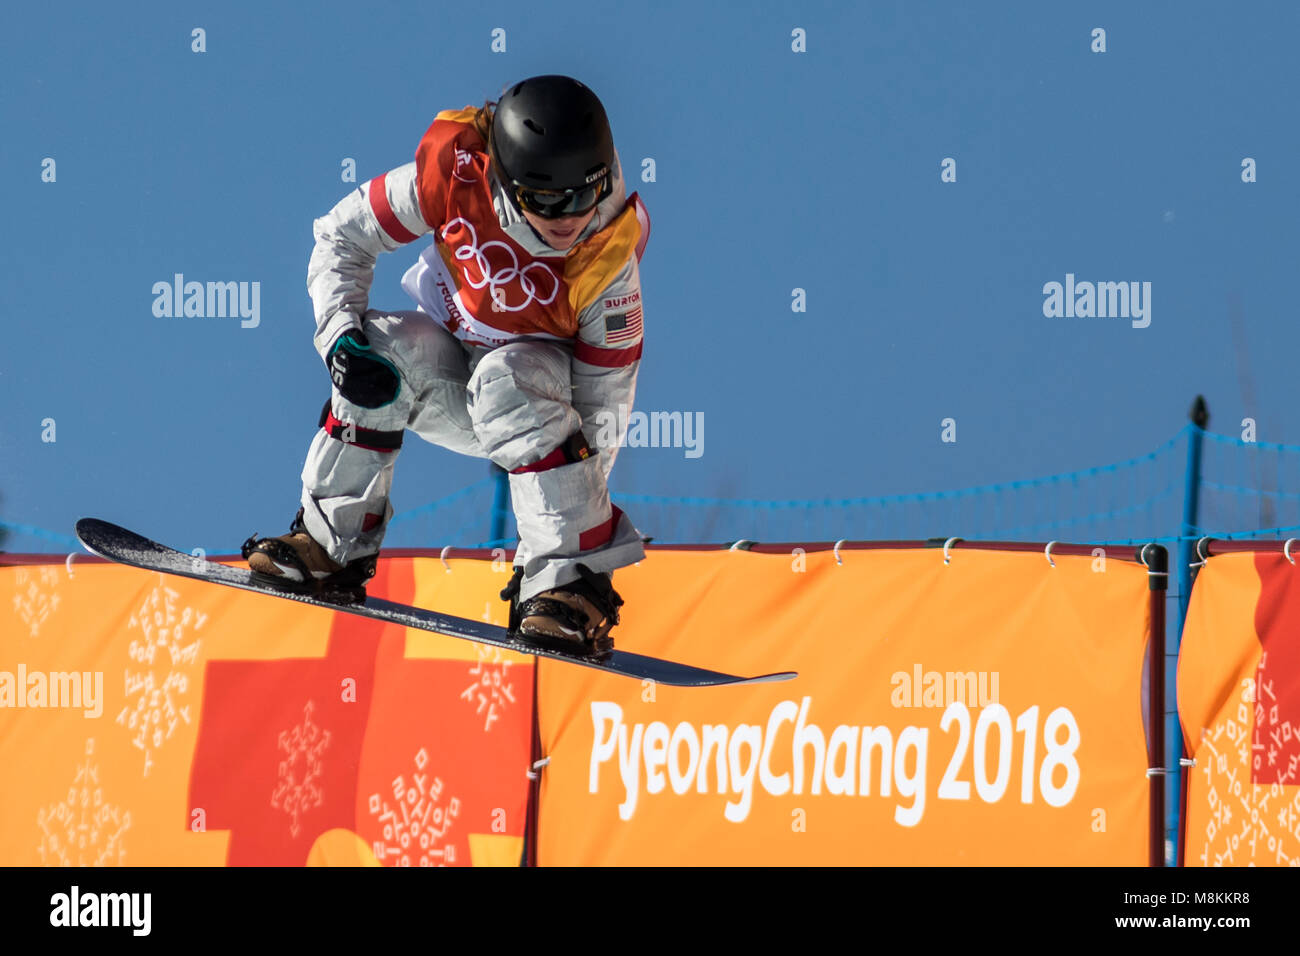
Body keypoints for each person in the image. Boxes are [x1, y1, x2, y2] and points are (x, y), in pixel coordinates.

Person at [240, 75, 650, 654]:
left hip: (541, 411)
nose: (570, 218)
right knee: (382, 347)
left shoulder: (606, 260)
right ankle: (330, 546)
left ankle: (568, 587)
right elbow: (342, 235)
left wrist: (560, 553)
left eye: (584, 195)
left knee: (506, 378)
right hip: (459, 376)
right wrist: (338, 338)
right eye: (547, 199)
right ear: (506, 180)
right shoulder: (454, 175)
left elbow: (606, 405)